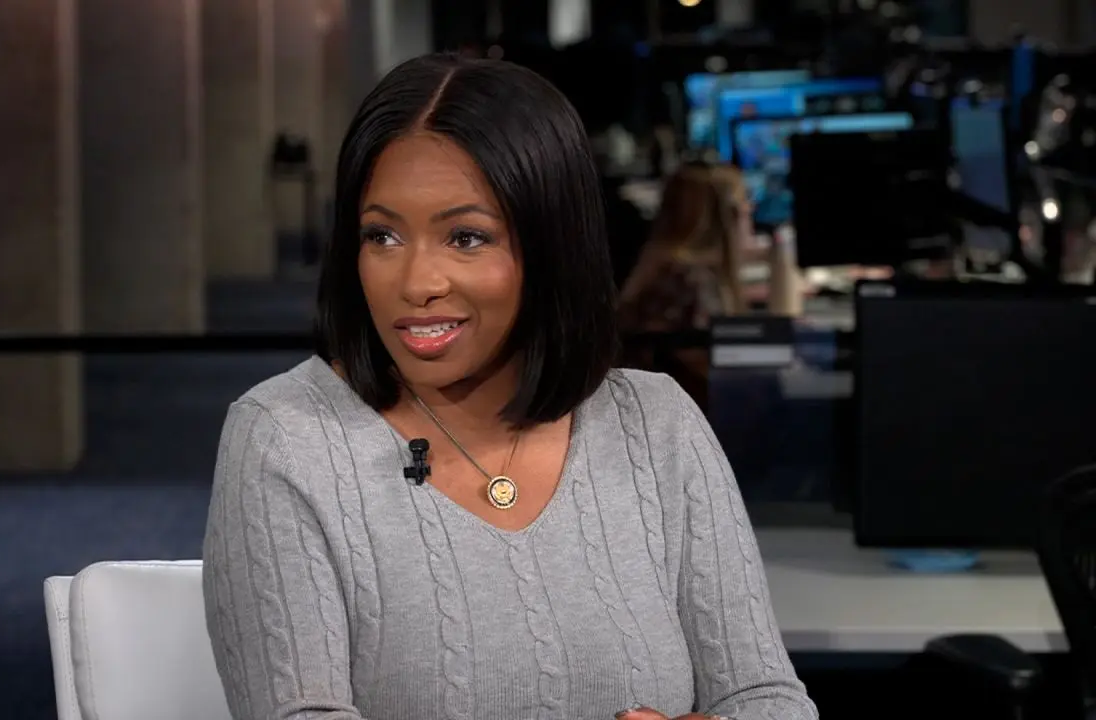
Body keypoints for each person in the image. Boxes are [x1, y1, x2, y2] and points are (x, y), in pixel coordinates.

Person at [202, 53, 818, 720]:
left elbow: (765, 697)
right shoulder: (286, 439)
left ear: (552, 246)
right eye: (382, 236)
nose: (415, 283)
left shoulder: (657, 423)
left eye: (466, 238)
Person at [616, 160, 802, 403]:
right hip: (690, 416)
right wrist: (783, 255)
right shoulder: (692, 282)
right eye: (746, 207)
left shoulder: (669, 269)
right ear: (730, 217)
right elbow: (770, 359)